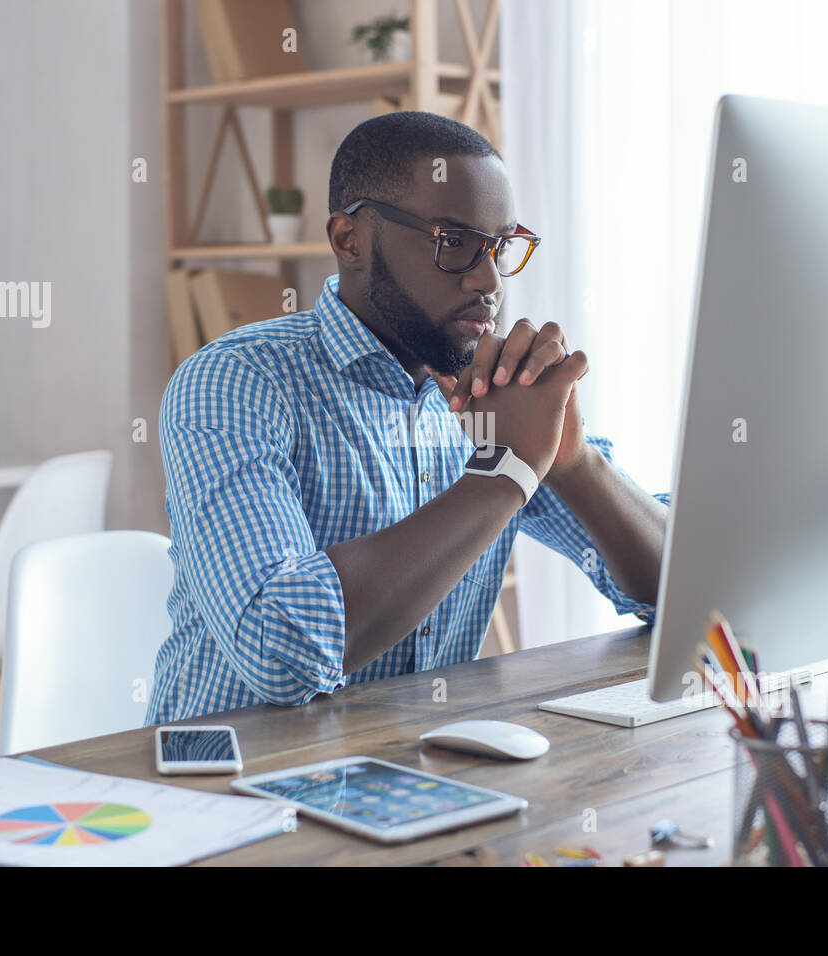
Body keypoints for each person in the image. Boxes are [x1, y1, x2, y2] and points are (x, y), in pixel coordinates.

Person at [146, 111, 669, 723]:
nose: (489, 280)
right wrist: (503, 475)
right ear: (349, 240)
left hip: (418, 774)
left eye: (501, 248)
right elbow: (281, 652)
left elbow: (689, 599)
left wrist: (577, 464)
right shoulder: (236, 383)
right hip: (226, 793)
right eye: (454, 242)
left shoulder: (493, 397)